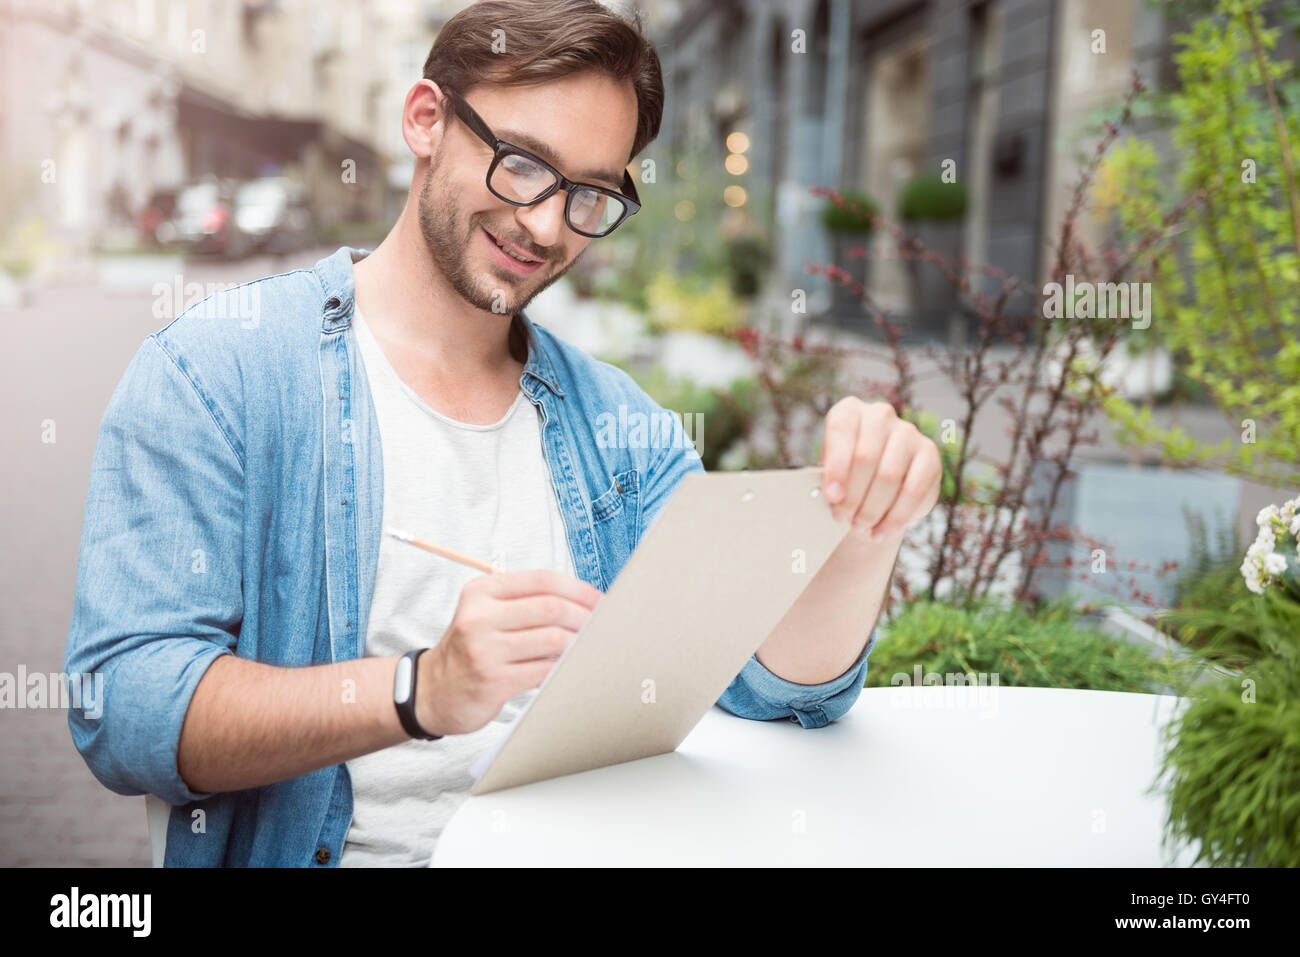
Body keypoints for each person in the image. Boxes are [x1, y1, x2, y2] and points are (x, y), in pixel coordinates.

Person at [65, 0, 941, 867]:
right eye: (524, 165)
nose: (547, 225)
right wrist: (420, 689)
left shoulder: (619, 425)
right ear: (426, 120)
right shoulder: (222, 373)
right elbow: (126, 709)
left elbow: (773, 689)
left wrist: (863, 530)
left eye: (591, 192)